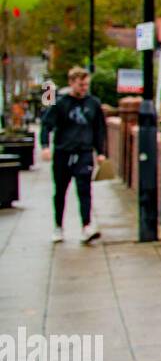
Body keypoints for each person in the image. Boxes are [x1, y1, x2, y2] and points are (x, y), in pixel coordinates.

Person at [39, 66, 107, 244]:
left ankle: (86, 226)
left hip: (84, 153)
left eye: (86, 85)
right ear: (71, 83)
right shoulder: (60, 103)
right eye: (80, 85)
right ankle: (58, 227)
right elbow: (46, 124)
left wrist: (101, 152)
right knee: (60, 191)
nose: (84, 88)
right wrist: (45, 146)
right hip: (63, 153)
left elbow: (99, 129)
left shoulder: (94, 103)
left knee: (84, 190)